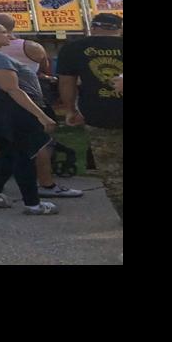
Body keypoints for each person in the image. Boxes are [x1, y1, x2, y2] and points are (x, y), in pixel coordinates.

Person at [0, 20, 61, 216]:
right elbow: (12, 89)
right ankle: (33, 204)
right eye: (2, 32)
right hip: (11, 109)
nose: (8, 35)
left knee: (10, 152)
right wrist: (41, 115)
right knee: (25, 154)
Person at [56, 12, 123, 221]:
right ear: (119, 28)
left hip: (99, 114)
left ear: (92, 26)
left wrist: (70, 110)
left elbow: (66, 83)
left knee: (112, 171)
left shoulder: (73, 49)